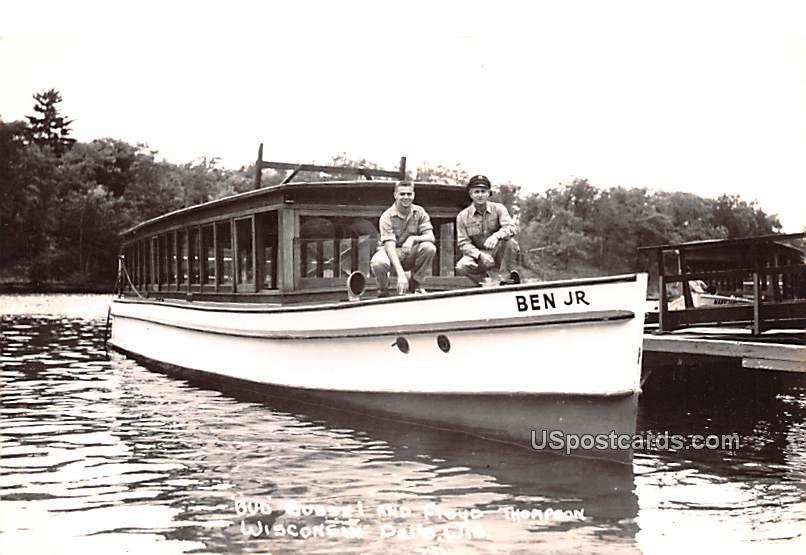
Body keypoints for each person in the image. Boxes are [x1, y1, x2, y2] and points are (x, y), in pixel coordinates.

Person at [370, 181, 437, 297]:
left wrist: (413, 239)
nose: (406, 197)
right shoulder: (387, 216)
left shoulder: (419, 212)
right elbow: (390, 248)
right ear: (395, 195)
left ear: (414, 195)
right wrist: (401, 274)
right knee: (378, 262)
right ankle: (383, 290)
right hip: (390, 253)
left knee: (429, 248)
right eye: (402, 194)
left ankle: (415, 285)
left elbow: (431, 237)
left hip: (409, 252)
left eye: (409, 194)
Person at [455, 174, 519, 285]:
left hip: (499, 253)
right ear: (470, 194)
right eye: (476, 192)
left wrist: (496, 236)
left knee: (510, 242)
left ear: (489, 193)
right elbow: (463, 243)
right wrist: (479, 255)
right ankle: (486, 281)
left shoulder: (499, 209)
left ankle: (506, 278)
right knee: (461, 266)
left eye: (483, 191)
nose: (480, 195)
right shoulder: (462, 216)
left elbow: (511, 228)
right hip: (479, 255)